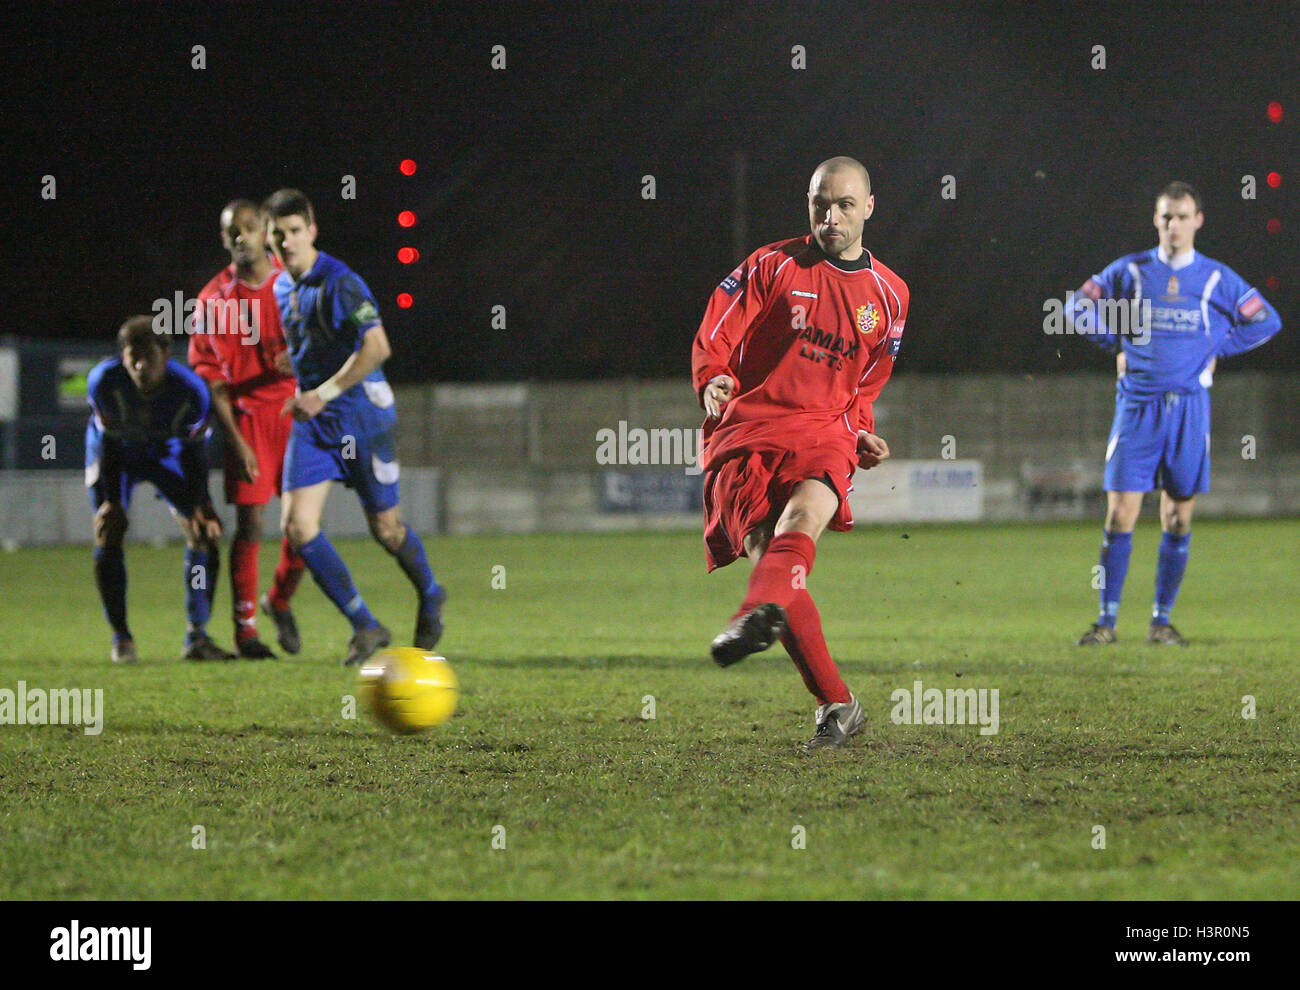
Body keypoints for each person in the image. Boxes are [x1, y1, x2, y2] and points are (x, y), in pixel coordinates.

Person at [691, 156, 908, 750]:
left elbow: (868, 381)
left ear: (868, 206)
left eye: (843, 205)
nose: (830, 217)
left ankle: (753, 613)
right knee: (772, 557)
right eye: (820, 205)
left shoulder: (891, 296)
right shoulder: (772, 265)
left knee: (801, 522)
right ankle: (837, 703)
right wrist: (712, 375)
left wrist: (861, 428)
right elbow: (717, 330)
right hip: (750, 429)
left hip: (823, 432)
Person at [1071, 181, 1282, 646]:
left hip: (1189, 409)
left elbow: (1267, 319)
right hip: (1137, 406)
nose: (1174, 225)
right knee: (1120, 515)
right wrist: (1115, 342)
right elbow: (1076, 305)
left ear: (1198, 221)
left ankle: (1160, 622)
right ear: (1156, 220)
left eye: (1183, 216)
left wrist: (1217, 349)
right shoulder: (1130, 270)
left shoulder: (1215, 279)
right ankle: (1105, 624)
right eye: (1166, 216)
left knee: (1178, 518)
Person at [263, 188, 446, 666]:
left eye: (295, 232)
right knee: (298, 527)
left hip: (362, 420)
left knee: (386, 530)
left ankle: (431, 594)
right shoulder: (281, 287)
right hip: (315, 426)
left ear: (312, 231)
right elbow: (319, 342)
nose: (287, 243)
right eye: (277, 236)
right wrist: (297, 361)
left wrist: (320, 392)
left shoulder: (341, 281)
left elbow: (377, 347)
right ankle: (365, 624)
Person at [190, 199, 306, 659]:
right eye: (231, 230)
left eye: (249, 227)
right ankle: (246, 633)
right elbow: (213, 382)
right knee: (252, 525)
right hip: (247, 421)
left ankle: (278, 601)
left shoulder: (296, 282)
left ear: (266, 231)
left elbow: (331, 343)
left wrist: (303, 357)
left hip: (297, 414)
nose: (241, 236)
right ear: (224, 240)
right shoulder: (212, 300)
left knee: (302, 528)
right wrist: (235, 442)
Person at [87, 316, 234, 662]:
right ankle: (121, 638)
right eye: (131, 356)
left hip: (167, 457)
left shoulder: (191, 392)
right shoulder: (104, 382)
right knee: (109, 531)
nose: (139, 366)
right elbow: (108, 445)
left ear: (166, 353)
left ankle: (197, 636)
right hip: (116, 458)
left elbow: (196, 453)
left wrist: (199, 503)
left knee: (204, 533)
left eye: (147, 356)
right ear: (121, 357)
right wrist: (112, 502)